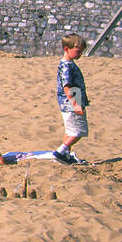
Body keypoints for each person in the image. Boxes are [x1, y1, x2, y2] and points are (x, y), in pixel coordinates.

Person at [54, 33, 88, 163]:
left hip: (71, 102)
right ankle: (61, 151)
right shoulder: (67, 66)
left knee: (70, 130)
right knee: (78, 131)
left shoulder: (69, 64)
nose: (80, 54)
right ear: (66, 49)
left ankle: (65, 154)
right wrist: (76, 104)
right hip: (71, 104)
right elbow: (67, 87)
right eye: (78, 51)